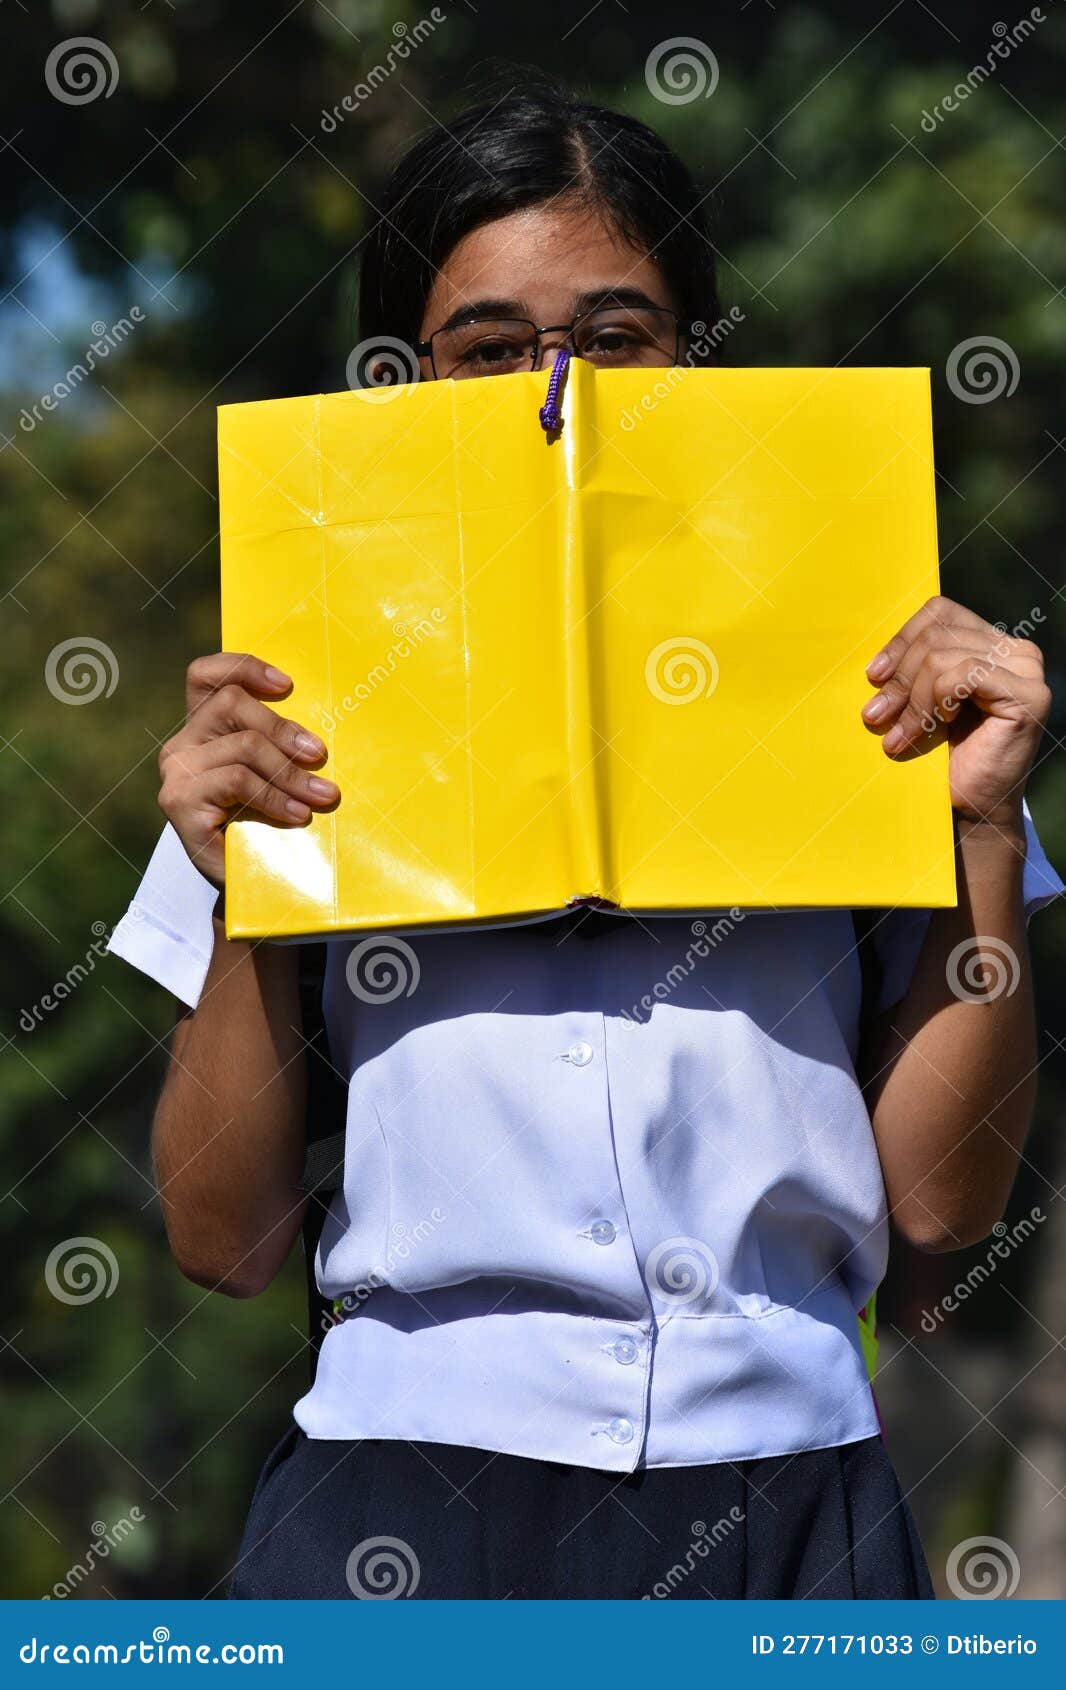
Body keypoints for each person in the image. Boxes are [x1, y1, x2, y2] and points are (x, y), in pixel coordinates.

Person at [109, 87, 1062, 1600]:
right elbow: (222, 1238)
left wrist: (987, 826)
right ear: (399, 386)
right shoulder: (295, 702)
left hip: (791, 1505)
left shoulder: (870, 683)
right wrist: (244, 888)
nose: (554, 398)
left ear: (701, 357)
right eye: (487, 353)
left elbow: (945, 1210)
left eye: (615, 338)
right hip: (397, 1504)